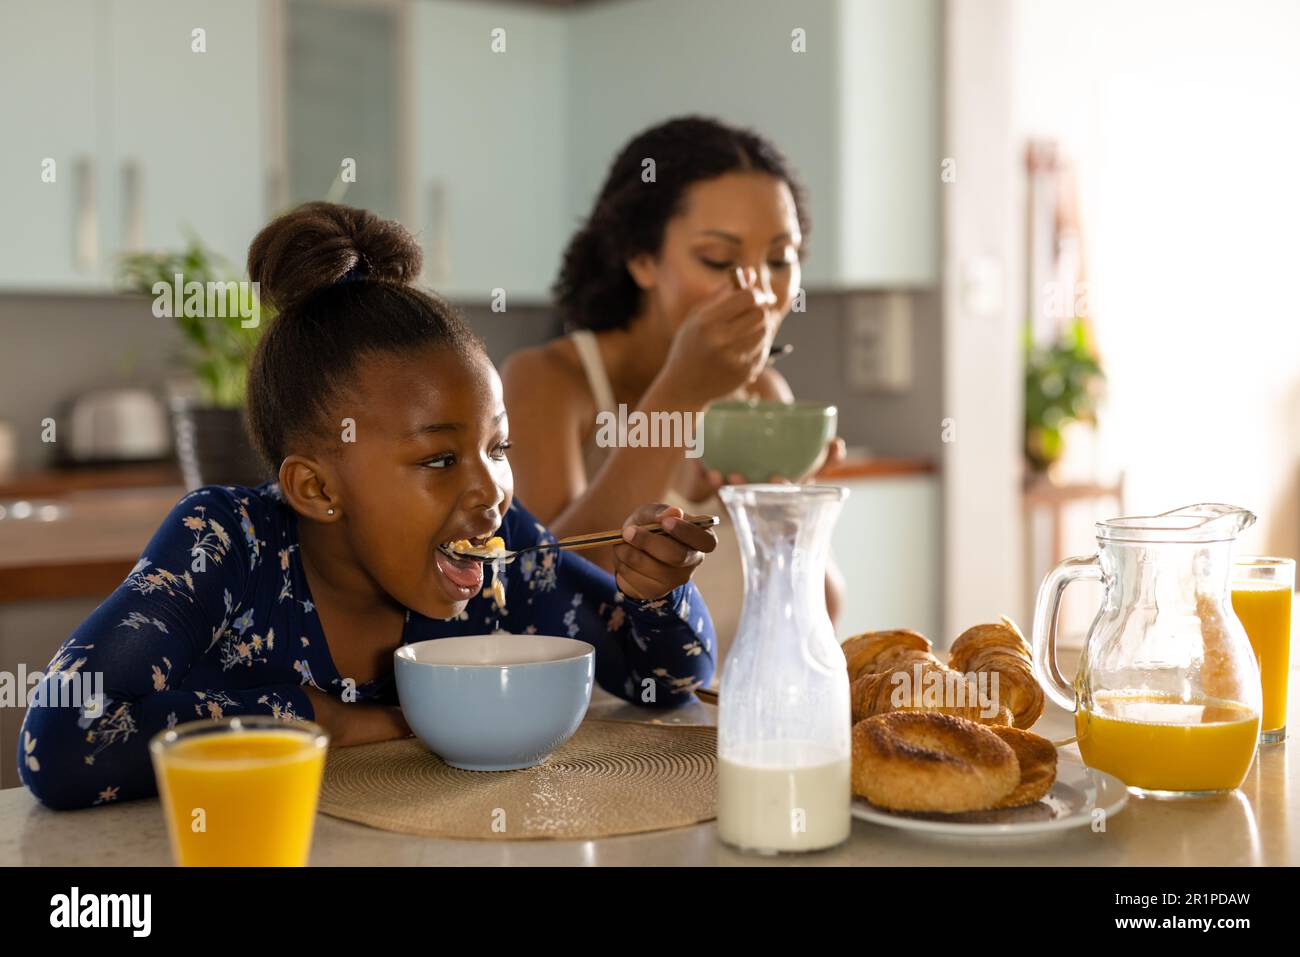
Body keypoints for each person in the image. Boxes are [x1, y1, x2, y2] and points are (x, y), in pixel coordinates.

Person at [18, 202, 717, 810]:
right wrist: (322, 720)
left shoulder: (494, 558)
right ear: (317, 489)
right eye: (440, 458)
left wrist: (658, 594)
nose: (492, 489)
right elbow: (63, 738)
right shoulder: (226, 542)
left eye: (497, 447)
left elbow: (667, 681)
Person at [502, 116, 844, 673]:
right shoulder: (548, 381)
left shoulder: (762, 393)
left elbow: (821, 610)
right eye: (718, 259)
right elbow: (539, 593)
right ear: (641, 259)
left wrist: (791, 511)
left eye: (781, 259)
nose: (757, 289)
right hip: (594, 745)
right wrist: (681, 395)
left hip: (726, 732)